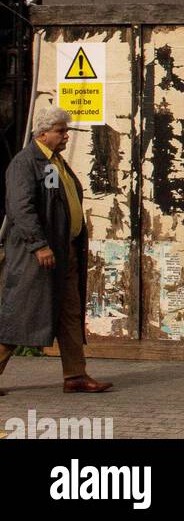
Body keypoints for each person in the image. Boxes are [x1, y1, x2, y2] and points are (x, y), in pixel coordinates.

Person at [0, 105, 113, 395]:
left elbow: (59, 202)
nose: (66, 136)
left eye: (65, 130)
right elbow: (21, 209)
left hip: (65, 252)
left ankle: (75, 375)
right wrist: (39, 245)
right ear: (42, 133)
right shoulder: (25, 163)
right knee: (22, 315)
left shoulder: (53, 162)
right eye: (60, 131)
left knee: (70, 314)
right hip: (38, 257)